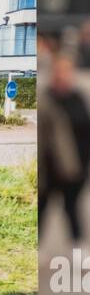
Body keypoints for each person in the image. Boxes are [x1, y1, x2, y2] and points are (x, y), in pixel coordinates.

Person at [39, 53, 90, 242]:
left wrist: (83, 164)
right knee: (41, 208)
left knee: (71, 209)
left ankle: (78, 249)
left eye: (67, 72)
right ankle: (39, 249)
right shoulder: (46, 99)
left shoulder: (78, 98)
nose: (63, 77)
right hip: (49, 169)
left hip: (74, 167)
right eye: (59, 73)